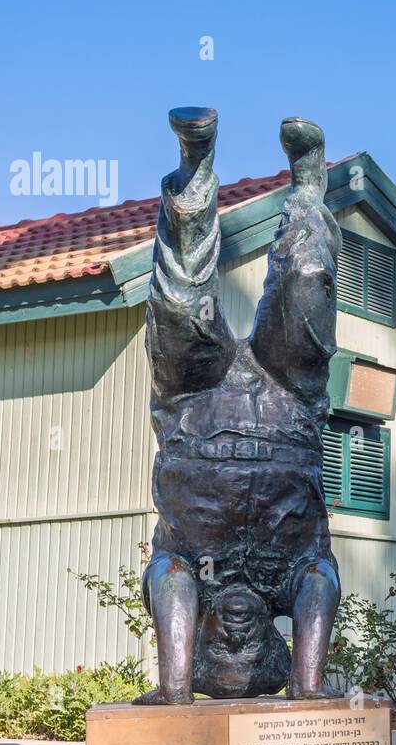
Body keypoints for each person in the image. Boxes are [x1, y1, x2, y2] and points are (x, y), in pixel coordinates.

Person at [135, 106, 342, 703]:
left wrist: (175, 691)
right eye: (248, 648)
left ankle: (194, 171)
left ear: (199, 641)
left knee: (178, 301)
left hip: (191, 401)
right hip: (288, 400)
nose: (236, 632)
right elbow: (322, 583)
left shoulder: (182, 573)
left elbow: (166, 581)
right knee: (305, 281)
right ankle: (307, 189)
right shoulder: (295, 578)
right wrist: (307, 687)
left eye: (221, 648)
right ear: (275, 642)